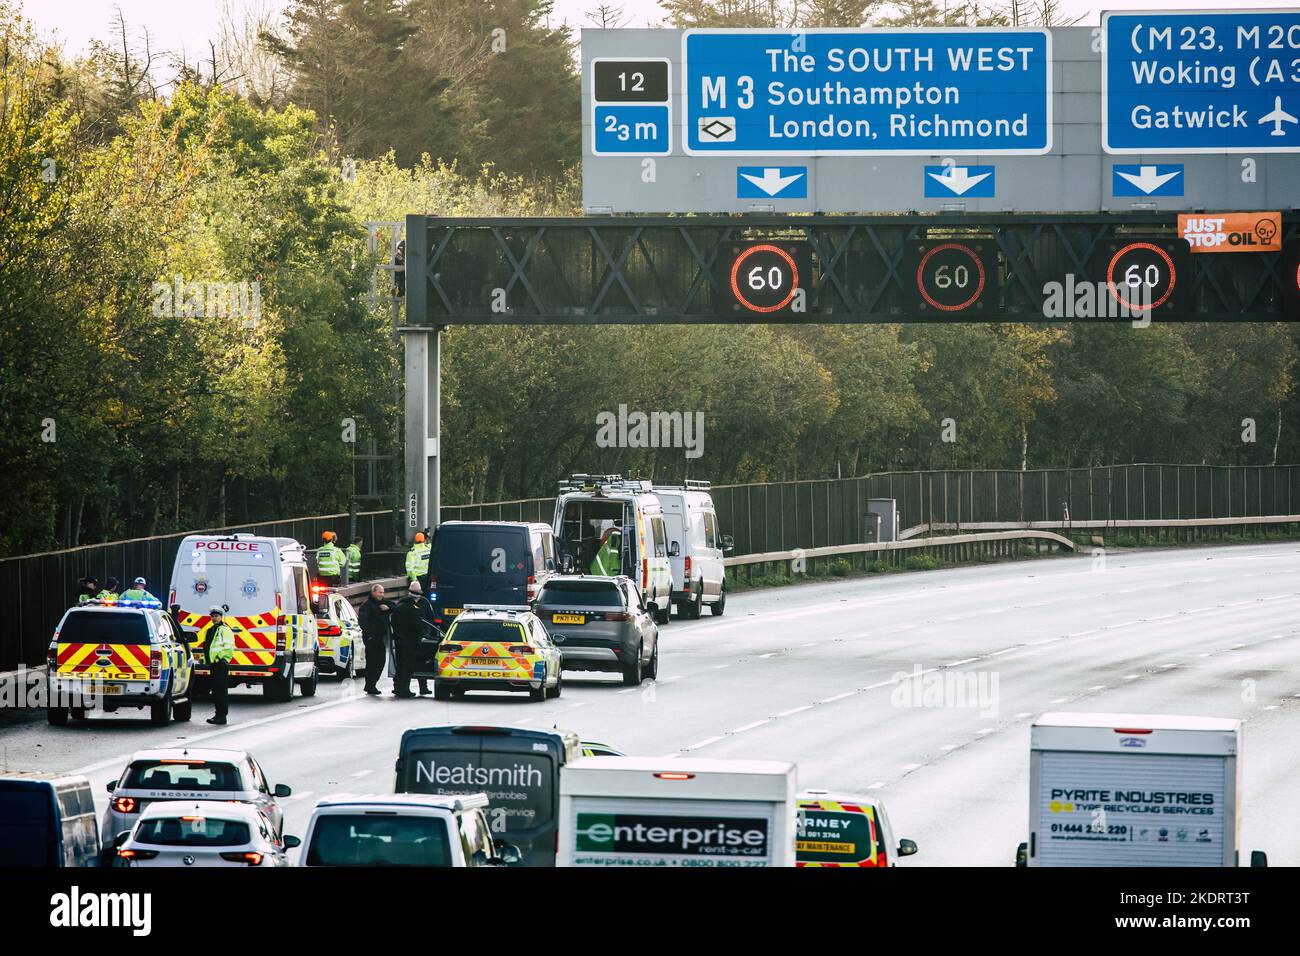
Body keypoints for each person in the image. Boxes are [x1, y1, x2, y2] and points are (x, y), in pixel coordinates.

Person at [390, 581, 435, 698]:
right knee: (408, 666)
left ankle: (400, 688)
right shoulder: (413, 609)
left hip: (401, 641)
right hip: (411, 641)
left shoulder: (400, 606)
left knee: (401, 666)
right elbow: (418, 625)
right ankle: (403, 689)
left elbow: (394, 622)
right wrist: (423, 632)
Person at [357, 583, 391, 696]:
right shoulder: (367, 605)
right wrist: (370, 635)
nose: (382, 594)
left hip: (380, 637)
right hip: (371, 638)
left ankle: (372, 684)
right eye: (380, 592)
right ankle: (370, 685)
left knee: (381, 661)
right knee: (372, 662)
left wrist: (388, 608)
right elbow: (363, 621)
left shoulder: (383, 602)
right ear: (373, 592)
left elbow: (395, 606)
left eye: (383, 592)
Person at [205, 604, 235, 725]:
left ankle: (222, 716)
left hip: (220, 664)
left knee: (221, 691)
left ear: (221, 617)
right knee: (216, 691)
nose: (214, 618)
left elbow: (228, 647)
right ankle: (218, 714)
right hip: (214, 664)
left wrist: (220, 658)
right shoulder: (212, 629)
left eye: (216, 616)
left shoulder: (224, 629)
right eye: (212, 616)